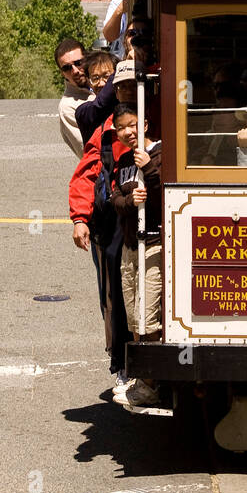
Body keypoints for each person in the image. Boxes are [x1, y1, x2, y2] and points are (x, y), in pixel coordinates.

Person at [69, 59, 137, 392]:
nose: (125, 89)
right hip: (115, 226)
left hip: (150, 222)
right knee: (119, 294)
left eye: (130, 84)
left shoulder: (154, 119)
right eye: (120, 85)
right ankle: (123, 365)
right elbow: (85, 176)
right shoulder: (105, 130)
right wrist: (80, 219)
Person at [111, 101, 163, 408]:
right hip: (131, 247)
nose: (127, 131)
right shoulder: (123, 161)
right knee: (133, 317)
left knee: (148, 317)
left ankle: (151, 384)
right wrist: (130, 199)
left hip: (153, 244)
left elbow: (167, 194)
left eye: (132, 125)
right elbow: (115, 200)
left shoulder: (157, 154)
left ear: (144, 125)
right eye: (121, 128)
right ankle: (142, 376)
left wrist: (149, 169)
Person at [56, 39, 90, 157]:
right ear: (62, 73)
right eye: (67, 68)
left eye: (78, 63)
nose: (75, 71)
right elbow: (88, 152)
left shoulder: (104, 83)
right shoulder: (68, 108)